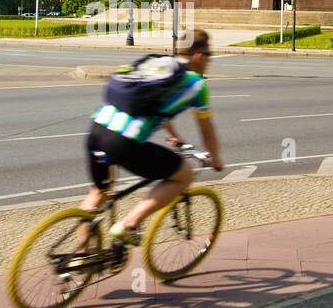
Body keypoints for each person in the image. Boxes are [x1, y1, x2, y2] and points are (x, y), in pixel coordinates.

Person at [80, 30, 225, 246]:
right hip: (124, 141)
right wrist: (215, 159)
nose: (210, 60)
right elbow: (207, 130)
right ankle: (130, 224)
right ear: (198, 56)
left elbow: (151, 102)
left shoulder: (159, 65)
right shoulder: (196, 84)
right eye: (209, 55)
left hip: (98, 128)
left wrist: (173, 135)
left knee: (99, 193)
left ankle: (81, 256)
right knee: (184, 175)